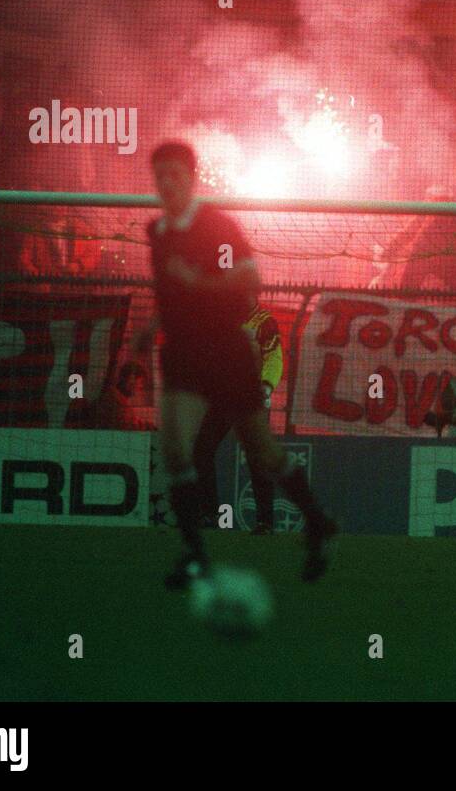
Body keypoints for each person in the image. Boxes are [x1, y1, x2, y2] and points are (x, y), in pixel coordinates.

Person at [135, 141, 335, 588]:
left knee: (264, 452)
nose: (167, 182)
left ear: (192, 177)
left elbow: (249, 279)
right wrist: (151, 328)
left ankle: (317, 522)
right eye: (160, 174)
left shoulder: (216, 226)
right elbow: (170, 292)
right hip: (183, 355)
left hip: (226, 352)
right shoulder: (158, 232)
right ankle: (195, 555)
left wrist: (200, 282)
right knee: (175, 449)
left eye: (175, 173)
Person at [193, 301, 284, 534]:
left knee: (257, 459)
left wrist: (265, 387)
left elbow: (274, 358)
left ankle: (265, 522)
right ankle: (209, 515)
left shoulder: (264, 321)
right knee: (202, 449)